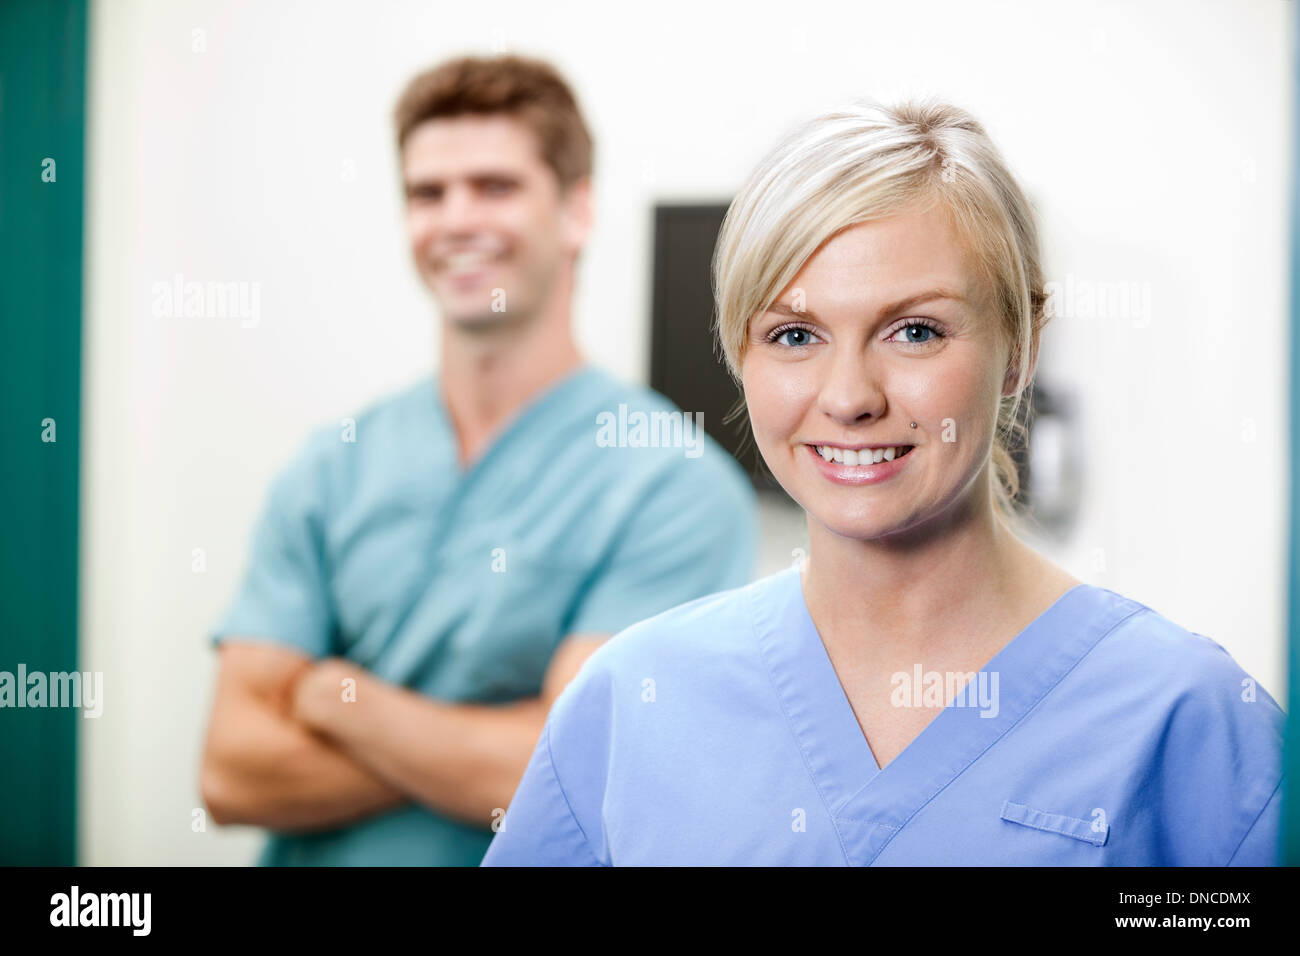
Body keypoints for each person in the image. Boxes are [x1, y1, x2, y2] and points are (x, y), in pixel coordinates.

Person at [480, 99, 1285, 866]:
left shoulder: (1186, 722)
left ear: (1023, 348)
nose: (849, 397)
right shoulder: (634, 703)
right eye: (794, 334)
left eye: (915, 331)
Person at [198, 54, 757, 866]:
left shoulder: (671, 483)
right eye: (428, 193)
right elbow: (230, 771)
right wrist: (493, 745)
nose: (456, 219)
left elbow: (587, 775)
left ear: (576, 211)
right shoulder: (333, 466)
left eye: (495, 186)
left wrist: (339, 703)